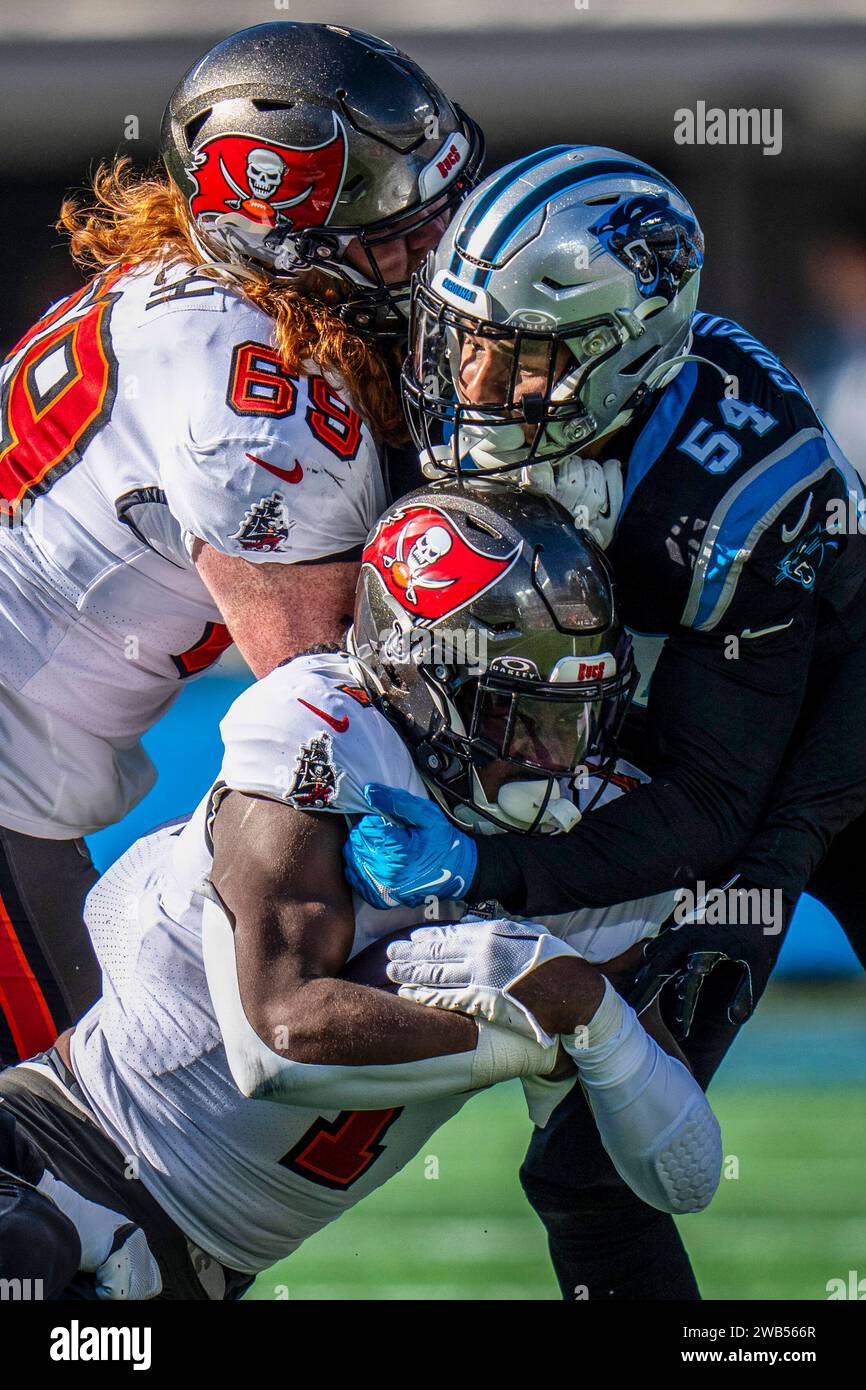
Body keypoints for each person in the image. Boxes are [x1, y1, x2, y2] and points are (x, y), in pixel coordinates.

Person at [343, 146, 866, 1298]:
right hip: (688, 725)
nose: (469, 381)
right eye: (459, 337)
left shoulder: (734, 499)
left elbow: (716, 804)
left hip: (822, 739)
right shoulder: (534, 403)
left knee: (597, 1163)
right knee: (589, 1168)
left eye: (515, 359)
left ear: (618, 357)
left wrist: (489, 861)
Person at [0, 485, 722, 1298]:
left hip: (195, 1268)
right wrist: (525, 1019)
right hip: (53, 1150)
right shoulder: (326, 729)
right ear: (415, 679)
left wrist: (592, 1016)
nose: (550, 757)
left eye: (571, 718)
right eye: (511, 714)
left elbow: (680, 1177)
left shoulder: (598, 851)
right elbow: (275, 1037)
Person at [0, 21, 483, 1064]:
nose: (427, 256)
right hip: (8, 788)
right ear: (279, 235)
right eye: (391, 234)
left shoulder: (200, 288)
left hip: (22, 776)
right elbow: (315, 701)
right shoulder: (256, 399)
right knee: (67, 1144)